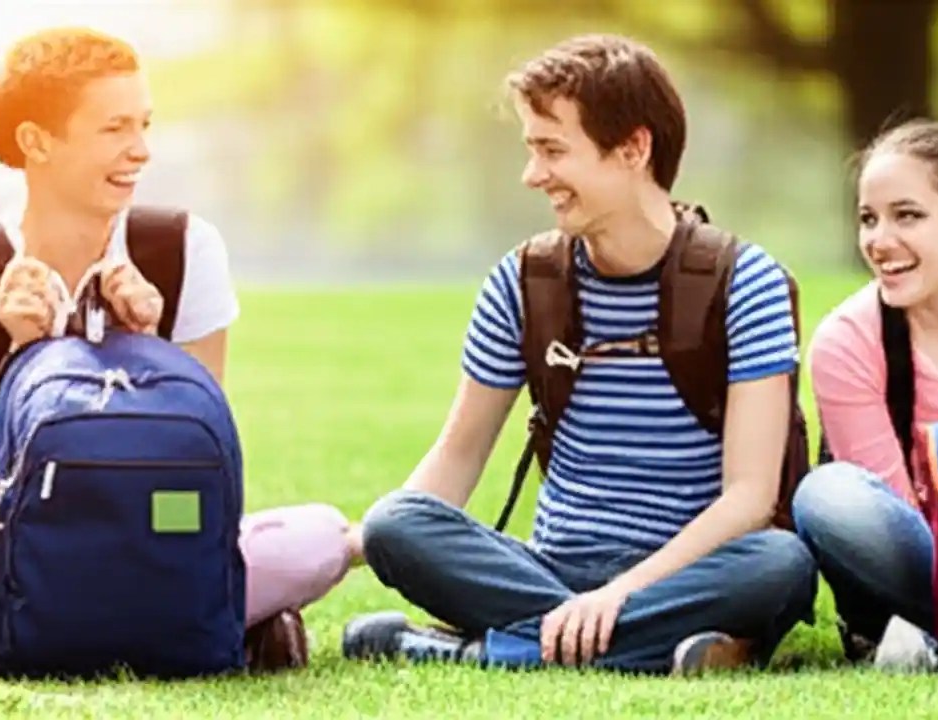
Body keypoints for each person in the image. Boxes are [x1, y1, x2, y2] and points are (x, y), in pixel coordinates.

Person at [0, 27, 359, 672]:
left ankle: (9, 629)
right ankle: (226, 617)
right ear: (36, 142)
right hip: (32, 537)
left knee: (321, 537)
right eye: (115, 129)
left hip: (165, 524)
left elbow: (200, 446)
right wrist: (23, 350)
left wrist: (148, 350)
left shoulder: (184, 248)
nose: (141, 150)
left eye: (144, 125)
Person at [340, 34, 817, 675]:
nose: (532, 175)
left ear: (633, 149)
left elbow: (750, 498)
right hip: (550, 563)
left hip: (690, 568)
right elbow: (457, 456)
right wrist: (366, 542)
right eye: (531, 149)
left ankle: (486, 649)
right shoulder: (523, 281)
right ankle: (655, 647)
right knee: (396, 522)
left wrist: (619, 595)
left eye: (552, 150)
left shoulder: (746, 282)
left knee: (781, 564)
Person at [791, 119, 938, 671]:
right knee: (830, 496)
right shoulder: (849, 342)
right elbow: (895, 518)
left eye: (907, 215)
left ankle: (929, 651)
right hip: (921, 569)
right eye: (868, 219)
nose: (878, 241)